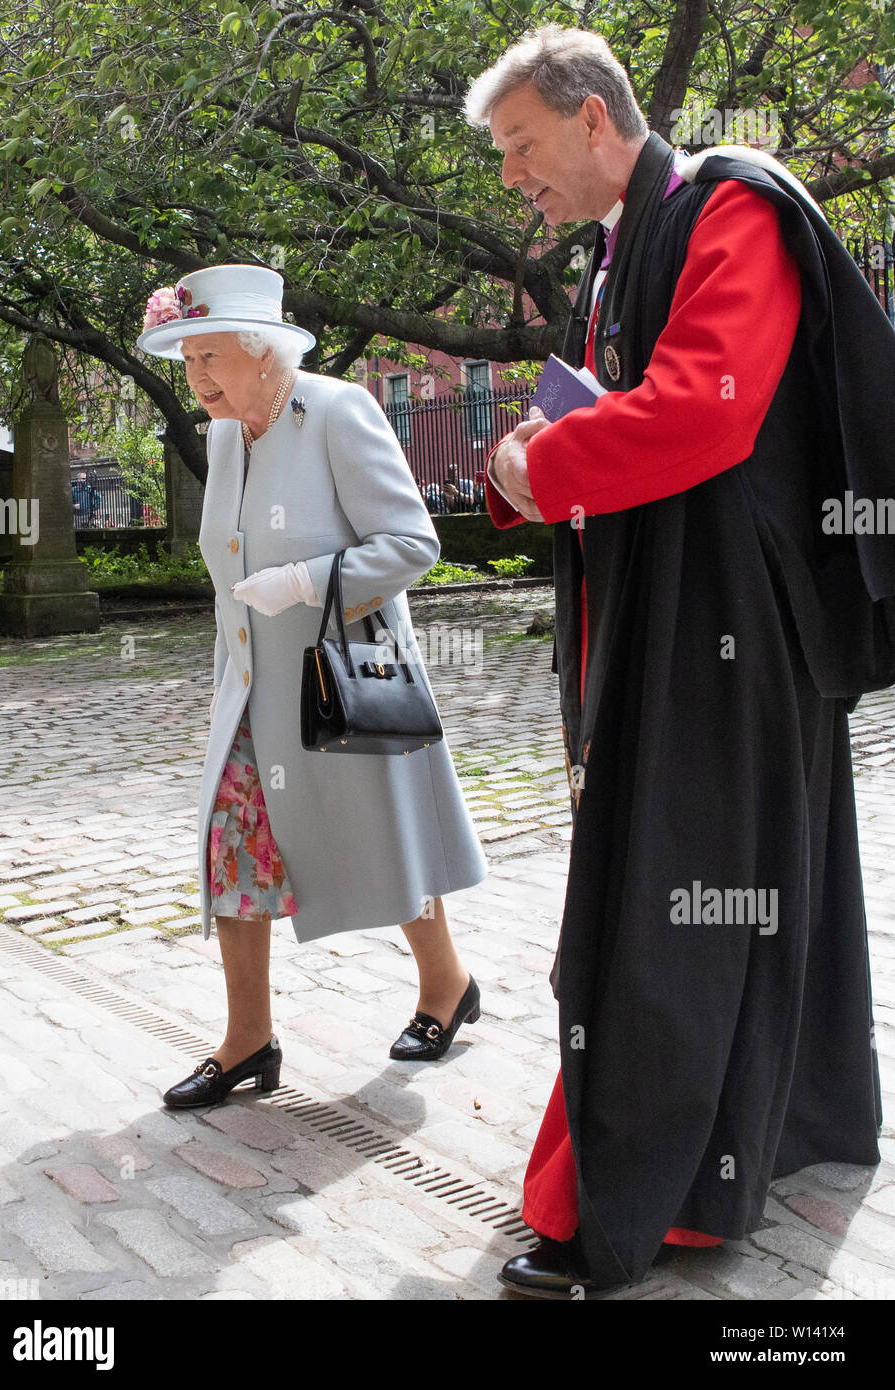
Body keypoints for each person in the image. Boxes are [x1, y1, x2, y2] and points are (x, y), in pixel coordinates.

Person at [463, 24, 894, 1296]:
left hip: (730, 621)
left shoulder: (729, 204)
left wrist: (537, 465)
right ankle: (792, 1122)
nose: (512, 180)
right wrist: (538, 467)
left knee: (676, 888)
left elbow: (706, 405)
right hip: (695, 605)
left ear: (594, 119)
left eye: (522, 147)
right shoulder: (619, 249)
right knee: (752, 870)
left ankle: (665, 1196)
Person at [135, 264, 487, 1108]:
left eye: (210, 357)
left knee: (383, 838)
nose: (197, 380)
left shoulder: (335, 410)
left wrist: (304, 581)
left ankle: (446, 984)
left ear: (264, 353)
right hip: (252, 685)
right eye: (187, 361)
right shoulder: (224, 436)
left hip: (342, 675)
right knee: (234, 842)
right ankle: (248, 1040)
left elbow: (411, 543)